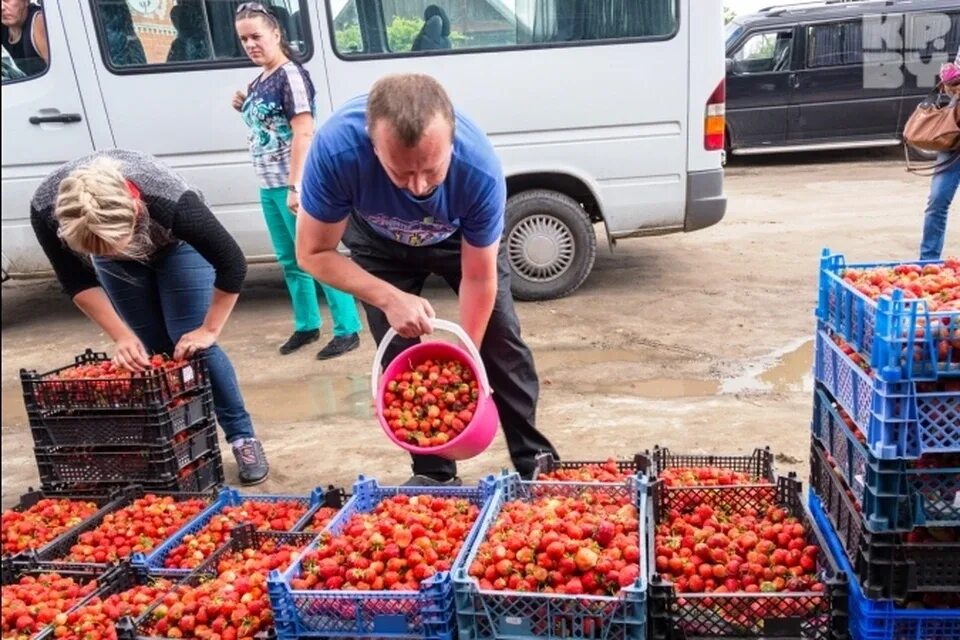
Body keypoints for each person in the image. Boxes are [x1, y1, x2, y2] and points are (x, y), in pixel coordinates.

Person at [296, 73, 559, 485]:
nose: (418, 187)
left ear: (451, 143)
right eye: (400, 173)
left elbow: (479, 276)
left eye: (432, 171)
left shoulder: (479, 169)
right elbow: (312, 253)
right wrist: (388, 298)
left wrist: (467, 357)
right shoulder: (336, 151)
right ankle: (434, 474)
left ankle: (535, 462)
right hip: (377, 244)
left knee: (500, 342)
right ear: (372, 145)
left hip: (457, 240)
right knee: (399, 351)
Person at [30, 149, 270, 486]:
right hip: (110, 245)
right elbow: (76, 281)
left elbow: (232, 264)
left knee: (189, 343)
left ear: (135, 210)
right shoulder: (47, 209)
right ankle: (181, 443)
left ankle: (243, 438)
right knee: (154, 351)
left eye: (116, 244)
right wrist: (121, 336)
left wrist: (208, 329)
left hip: (176, 246)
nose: (114, 253)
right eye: (96, 250)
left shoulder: (170, 201)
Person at [233, 2, 362, 358]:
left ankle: (348, 328)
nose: (251, 44)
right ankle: (307, 325)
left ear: (276, 33)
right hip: (268, 184)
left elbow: (303, 132)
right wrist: (244, 104)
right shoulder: (261, 78)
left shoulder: (290, 74)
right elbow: (270, 124)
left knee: (317, 256)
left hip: (293, 185)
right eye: (244, 39)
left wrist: (296, 186)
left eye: (256, 36)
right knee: (290, 260)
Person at [920, 55, 960, 261]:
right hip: (954, 135)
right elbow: (952, 87)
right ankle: (928, 262)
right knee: (937, 199)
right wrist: (951, 82)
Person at [1, 0, 48, 77]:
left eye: (7, 0)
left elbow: (62, 71)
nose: (2, 7)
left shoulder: (39, 23)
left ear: (26, 2)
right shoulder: (4, 26)